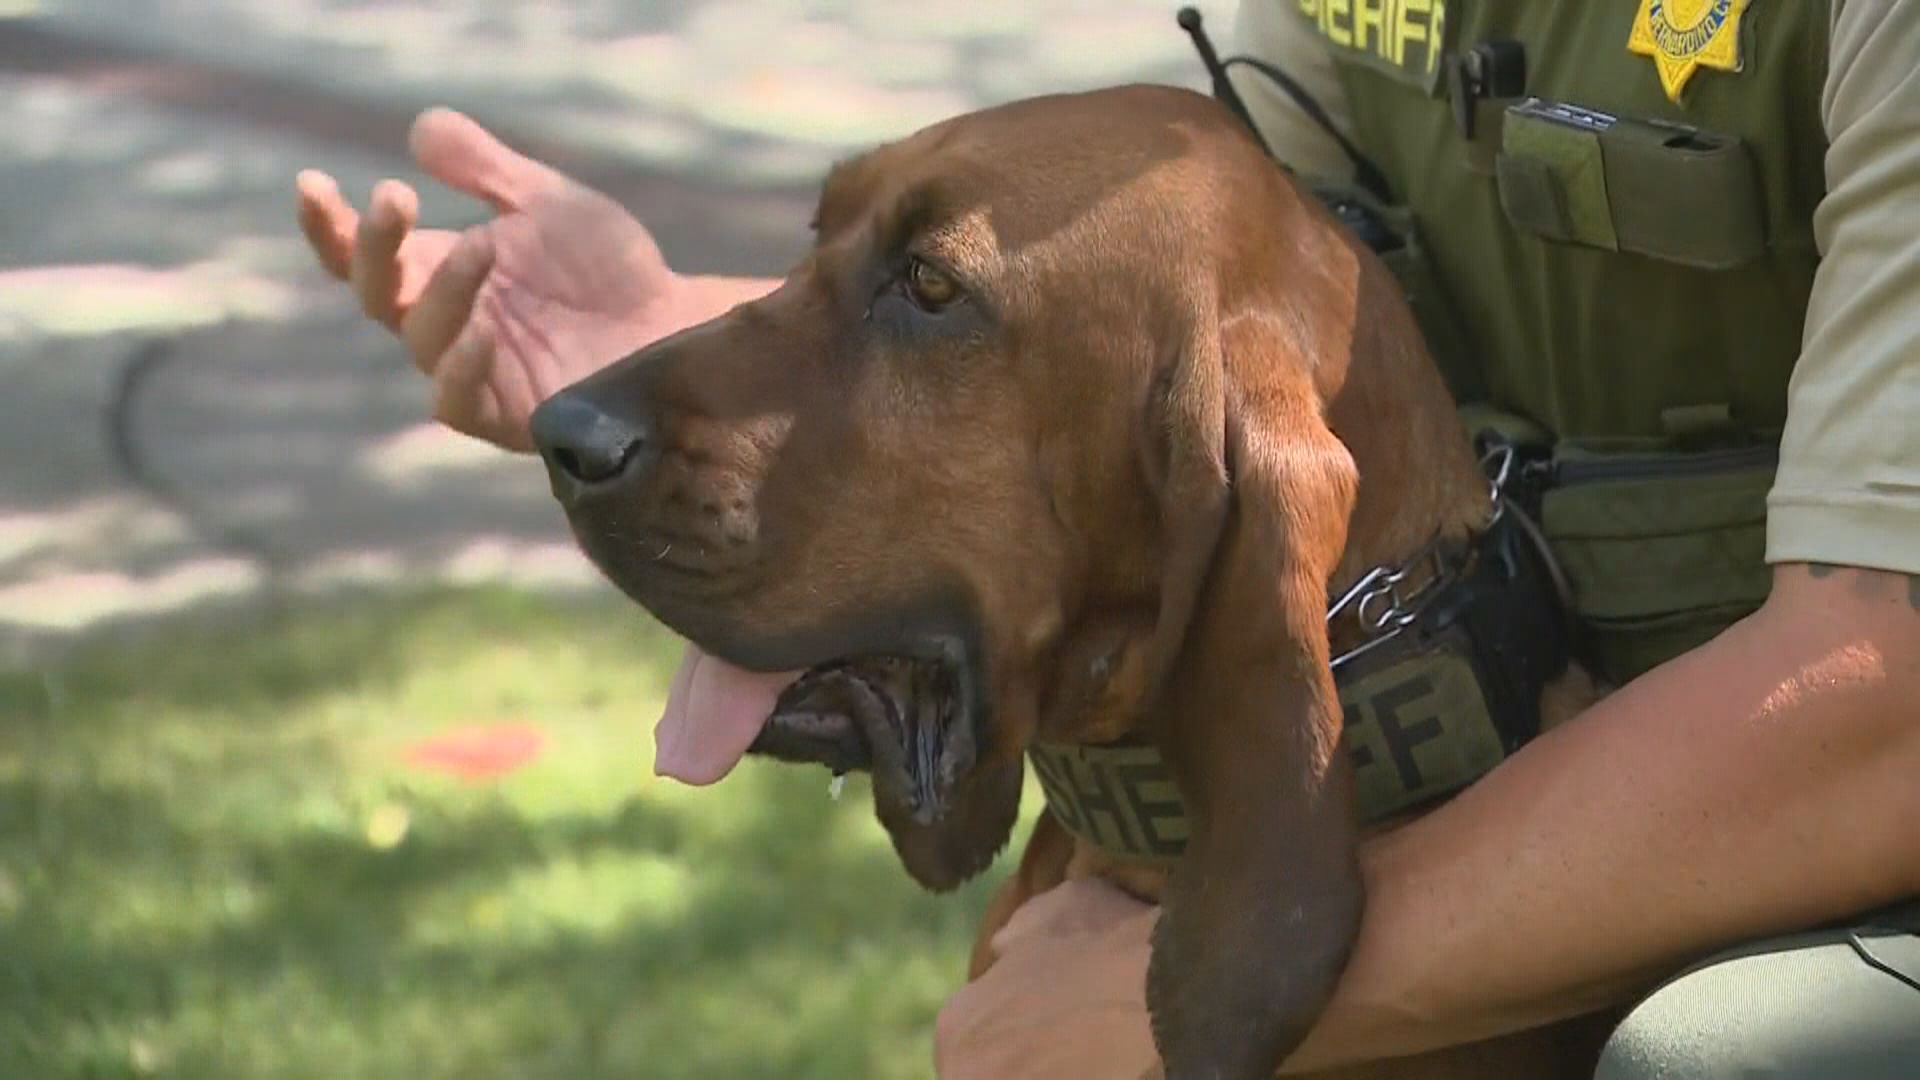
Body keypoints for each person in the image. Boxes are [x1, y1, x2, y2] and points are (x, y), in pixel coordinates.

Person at [293, 3, 1920, 1076]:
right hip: (1445, 774)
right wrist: (685, 362)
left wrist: (1212, 1003)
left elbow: (1889, 688)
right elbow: (1150, 331)